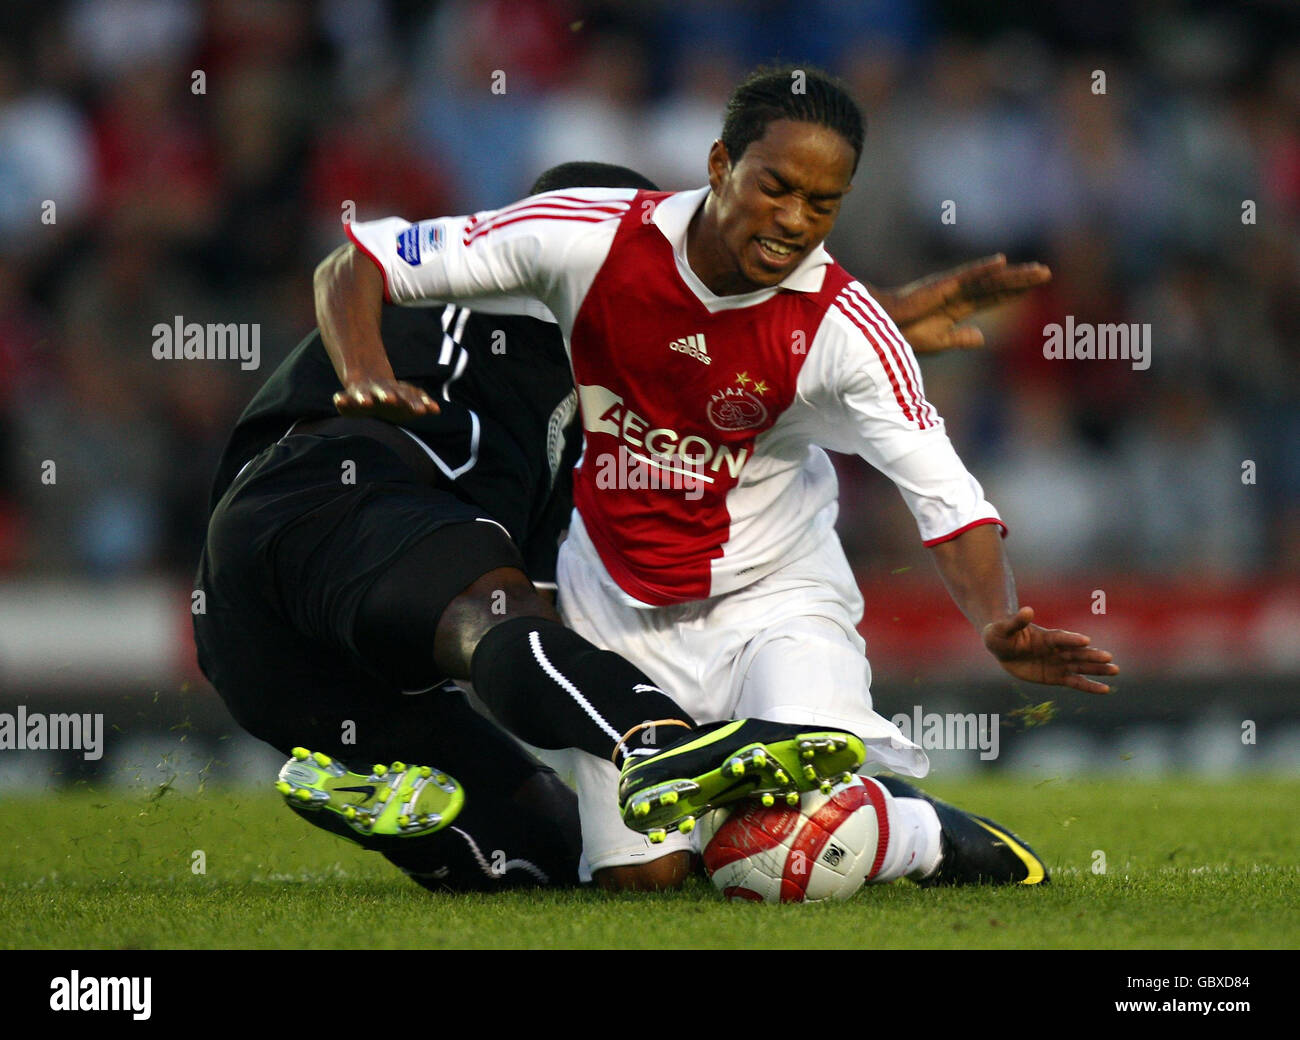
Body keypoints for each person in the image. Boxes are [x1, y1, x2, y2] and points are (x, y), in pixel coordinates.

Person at [317, 65, 1118, 890]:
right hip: (617, 607)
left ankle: (917, 831)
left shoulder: (847, 330)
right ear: (718, 164)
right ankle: (780, 804)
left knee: (781, 854)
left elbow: (948, 501)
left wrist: (994, 621)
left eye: (823, 204)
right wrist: (366, 367)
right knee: (648, 885)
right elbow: (358, 263)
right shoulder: (588, 238)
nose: (794, 222)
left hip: (776, 599)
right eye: (776, 187)